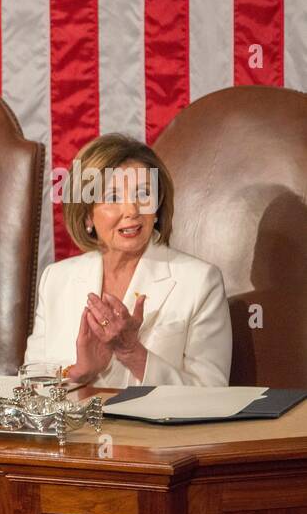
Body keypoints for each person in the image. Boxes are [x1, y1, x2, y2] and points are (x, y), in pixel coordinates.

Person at [24, 134, 231, 387]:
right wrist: (79, 374)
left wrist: (133, 353)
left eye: (143, 194)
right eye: (112, 198)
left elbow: (212, 397)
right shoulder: (56, 279)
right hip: (76, 427)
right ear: (87, 215)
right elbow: (30, 388)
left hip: (156, 427)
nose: (132, 211)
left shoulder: (200, 282)